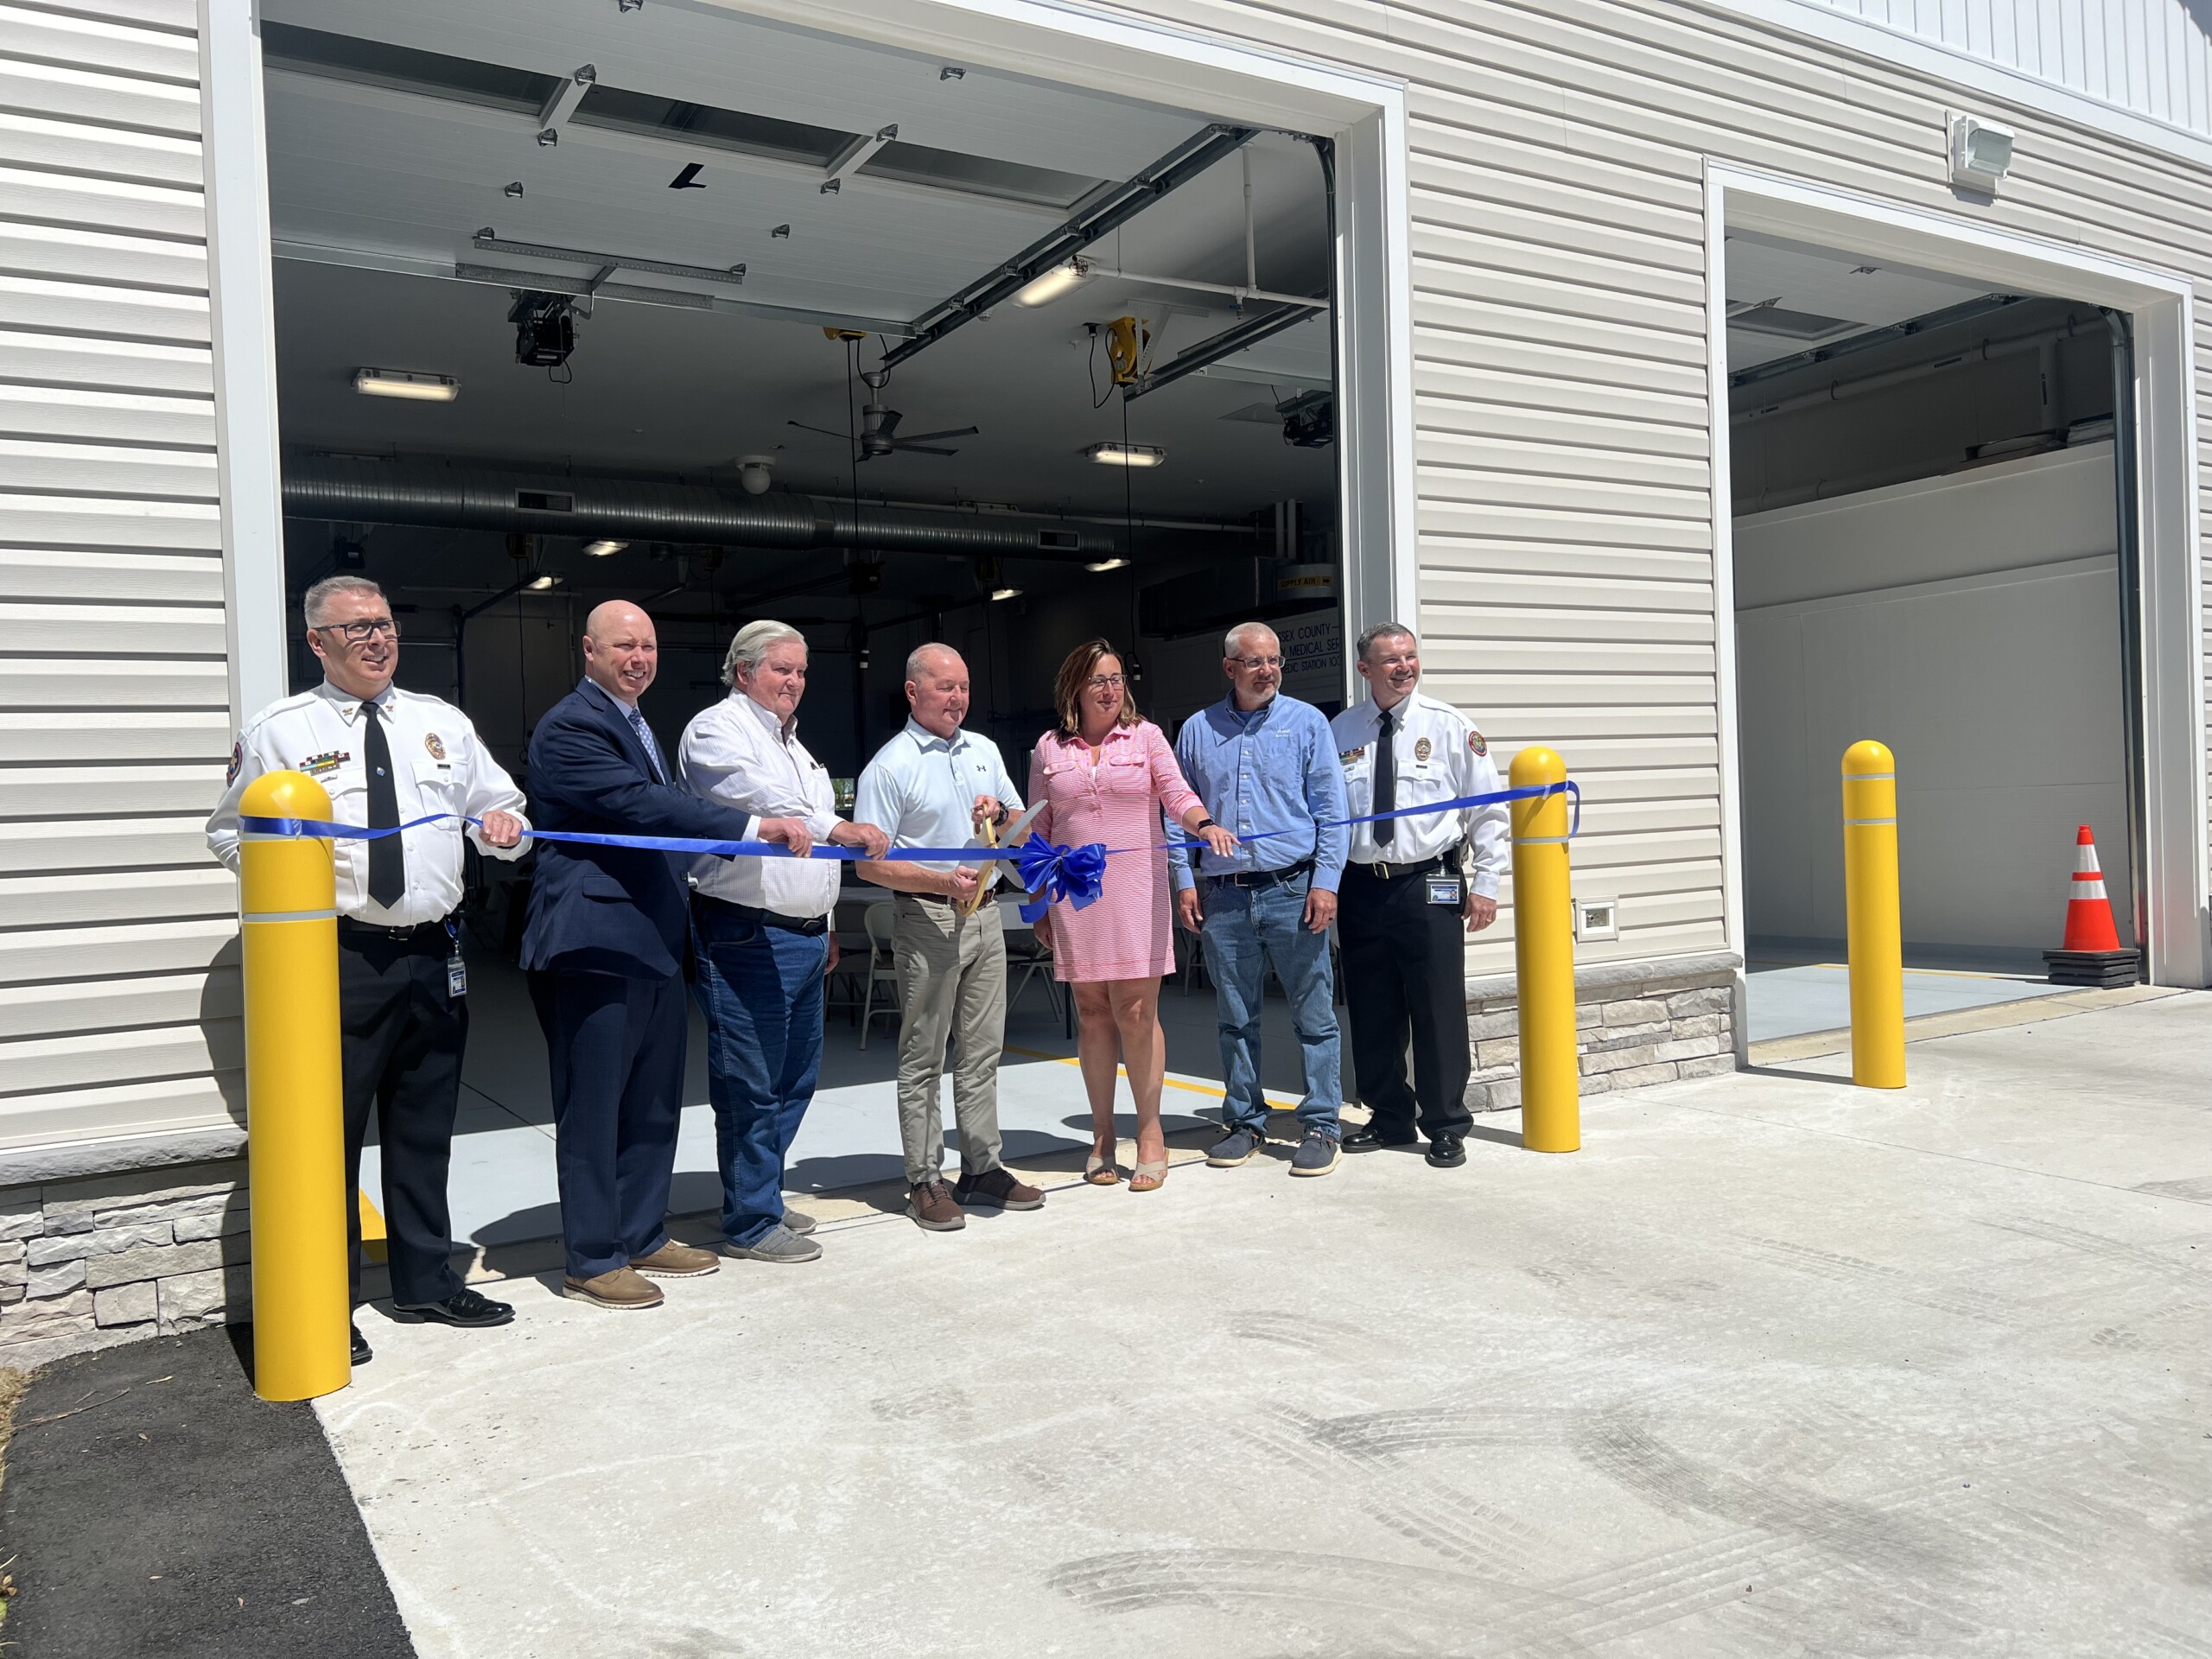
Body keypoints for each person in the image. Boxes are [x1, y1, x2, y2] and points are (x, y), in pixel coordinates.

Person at [207, 575, 525, 1365]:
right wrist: (292, 886)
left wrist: (503, 826)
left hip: (433, 950)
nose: (377, 640)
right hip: (337, 957)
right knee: (330, 1136)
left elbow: (507, 819)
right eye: (355, 630)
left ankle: (426, 1280)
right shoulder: (282, 729)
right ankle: (330, 1299)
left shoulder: (440, 723)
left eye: (384, 624)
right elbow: (227, 834)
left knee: (424, 1128)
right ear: (317, 643)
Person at [521, 601, 812, 1310]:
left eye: (648, 646)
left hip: (650, 939)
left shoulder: (637, 725)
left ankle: (642, 1231)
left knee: (651, 1102)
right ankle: (592, 1257)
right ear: (588, 650)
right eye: (624, 646)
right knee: (594, 1108)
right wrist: (751, 825)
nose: (639, 658)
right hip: (593, 942)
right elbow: (639, 807)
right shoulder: (573, 727)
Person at [678, 620, 887, 1265]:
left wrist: (824, 927)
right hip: (746, 933)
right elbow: (771, 806)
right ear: (744, 673)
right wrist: (839, 825)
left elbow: (810, 842)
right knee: (752, 1082)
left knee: (795, 1079)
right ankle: (749, 1221)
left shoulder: (799, 747)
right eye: (781, 670)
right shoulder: (716, 731)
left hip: (800, 936)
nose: (794, 682)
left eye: (800, 672)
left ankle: (758, 1190)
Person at [1028, 641, 1236, 1192]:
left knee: (1138, 1011)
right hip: (1073, 897)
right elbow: (1040, 832)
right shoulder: (1049, 748)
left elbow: (1176, 792)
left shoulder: (1145, 737)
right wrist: (1040, 904)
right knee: (1093, 1014)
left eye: (1117, 678)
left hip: (1136, 891)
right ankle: (1101, 1134)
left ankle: (1150, 1133)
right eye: (1099, 679)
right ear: (1075, 685)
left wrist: (1205, 824)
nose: (1110, 689)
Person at [853, 644, 1046, 1231]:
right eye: (944, 687)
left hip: (986, 913)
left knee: (983, 1051)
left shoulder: (984, 751)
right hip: (930, 917)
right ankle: (924, 1179)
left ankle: (982, 1166)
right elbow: (868, 865)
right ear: (913, 693)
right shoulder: (889, 767)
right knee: (924, 1055)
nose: (957, 698)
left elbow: (1017, 823)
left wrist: (1002, 811)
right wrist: (941, 879)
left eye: (963, 687)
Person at [1164, 622, 1351, 1179]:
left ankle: (1321, 1123)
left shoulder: (1307, 723)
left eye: (1274, 661)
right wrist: (1184, 881)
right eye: (1254, 662)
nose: (1267, 671)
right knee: (1235, 1018)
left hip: (1295, 889)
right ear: (1229, 669)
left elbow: (1332, 811)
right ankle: (1244, 1121)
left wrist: (1326, 883)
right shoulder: (1197, 730)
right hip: (1224, 898)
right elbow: (1176, 811)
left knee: (1314, 1015)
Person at [1330, 622, 1506, 1168]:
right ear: (1365, 670)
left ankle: (1446, 1124)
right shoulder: (1340, 731)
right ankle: (1389, 1118)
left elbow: (1489, 809)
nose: (1404, 667)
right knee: (1372, 1009)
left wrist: (1488, 883)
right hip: (1361, 888)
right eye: (1390, 660)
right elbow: (1329, 815)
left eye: (1409, 656)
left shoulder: (1450, 726)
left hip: (1430, 883)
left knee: (1437, 1007)